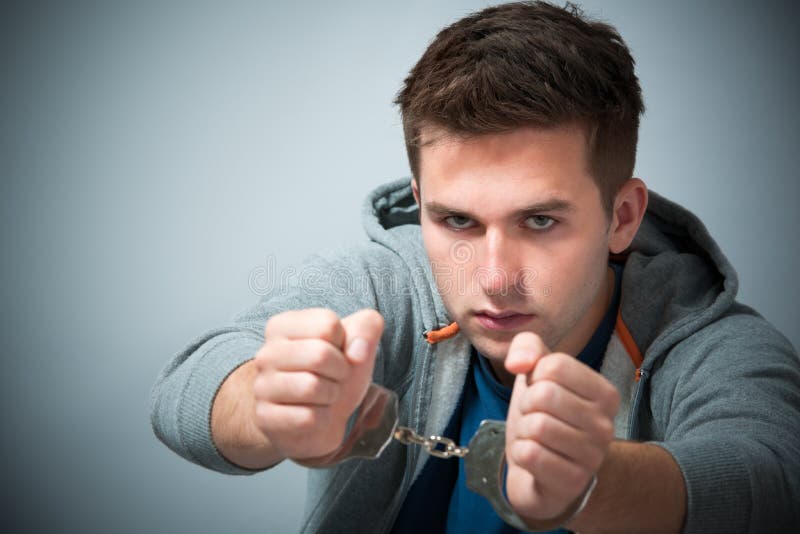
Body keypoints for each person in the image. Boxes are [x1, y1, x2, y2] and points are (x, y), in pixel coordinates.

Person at [150, 2, 800, 532]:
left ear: (623, 217)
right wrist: (264, 407)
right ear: (419, 202)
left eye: (540, 222)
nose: (493, 277)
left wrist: (594, 483)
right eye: (457, 221)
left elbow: (771, 481)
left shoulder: (716, 345)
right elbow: (187, 388)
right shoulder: (386, 286)